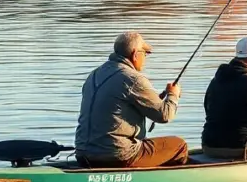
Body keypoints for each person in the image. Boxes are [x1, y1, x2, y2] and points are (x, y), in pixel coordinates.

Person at [74, 32, 188, 168]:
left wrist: (154, 99)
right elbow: (165, 115)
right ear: (135, 54)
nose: (145, 58)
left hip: (83, 154)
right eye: (145, 54)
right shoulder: (134, 79)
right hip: (118, 155)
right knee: (179, 146)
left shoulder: (94, 75)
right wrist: (173, 95)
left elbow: (114, 106)